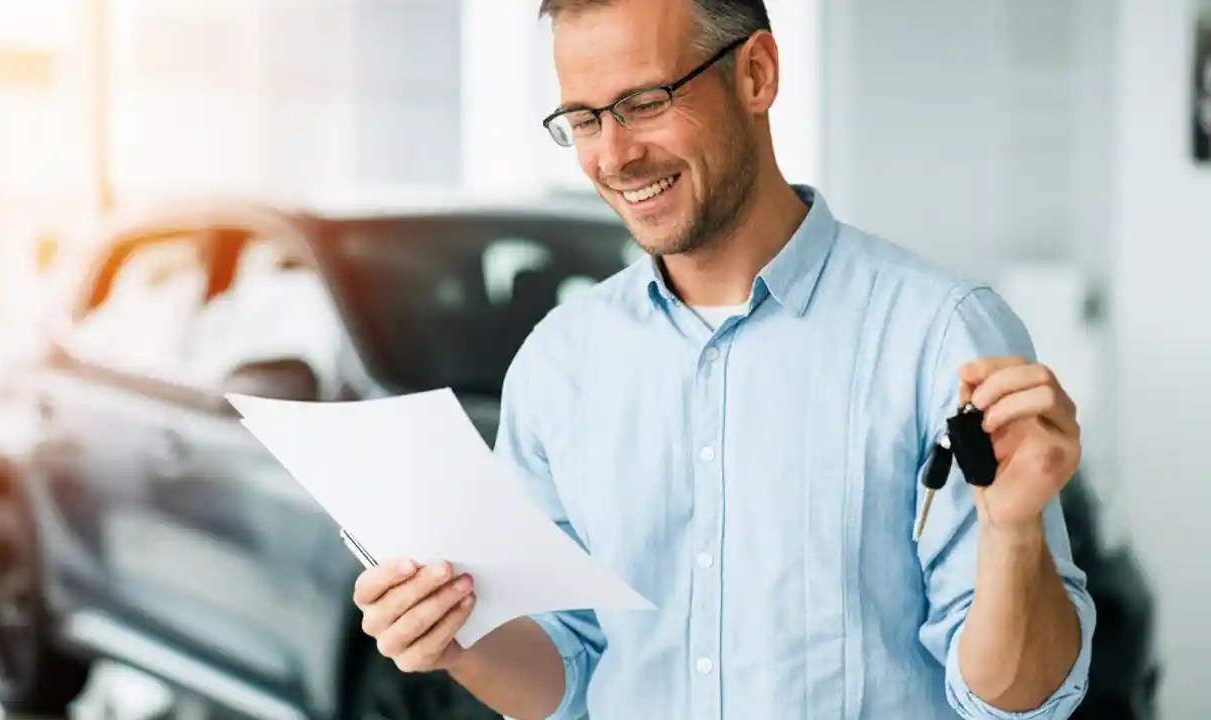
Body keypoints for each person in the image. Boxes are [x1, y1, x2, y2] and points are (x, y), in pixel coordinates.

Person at [351, 0, 1095, 717]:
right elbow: (568, 676)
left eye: (645, 102)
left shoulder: (940, 336)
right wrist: (459, 641)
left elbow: (1017, 701)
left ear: (756, 75)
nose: (614, 155)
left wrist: (1013, 537)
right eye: (583, 119)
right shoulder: (559, 363)